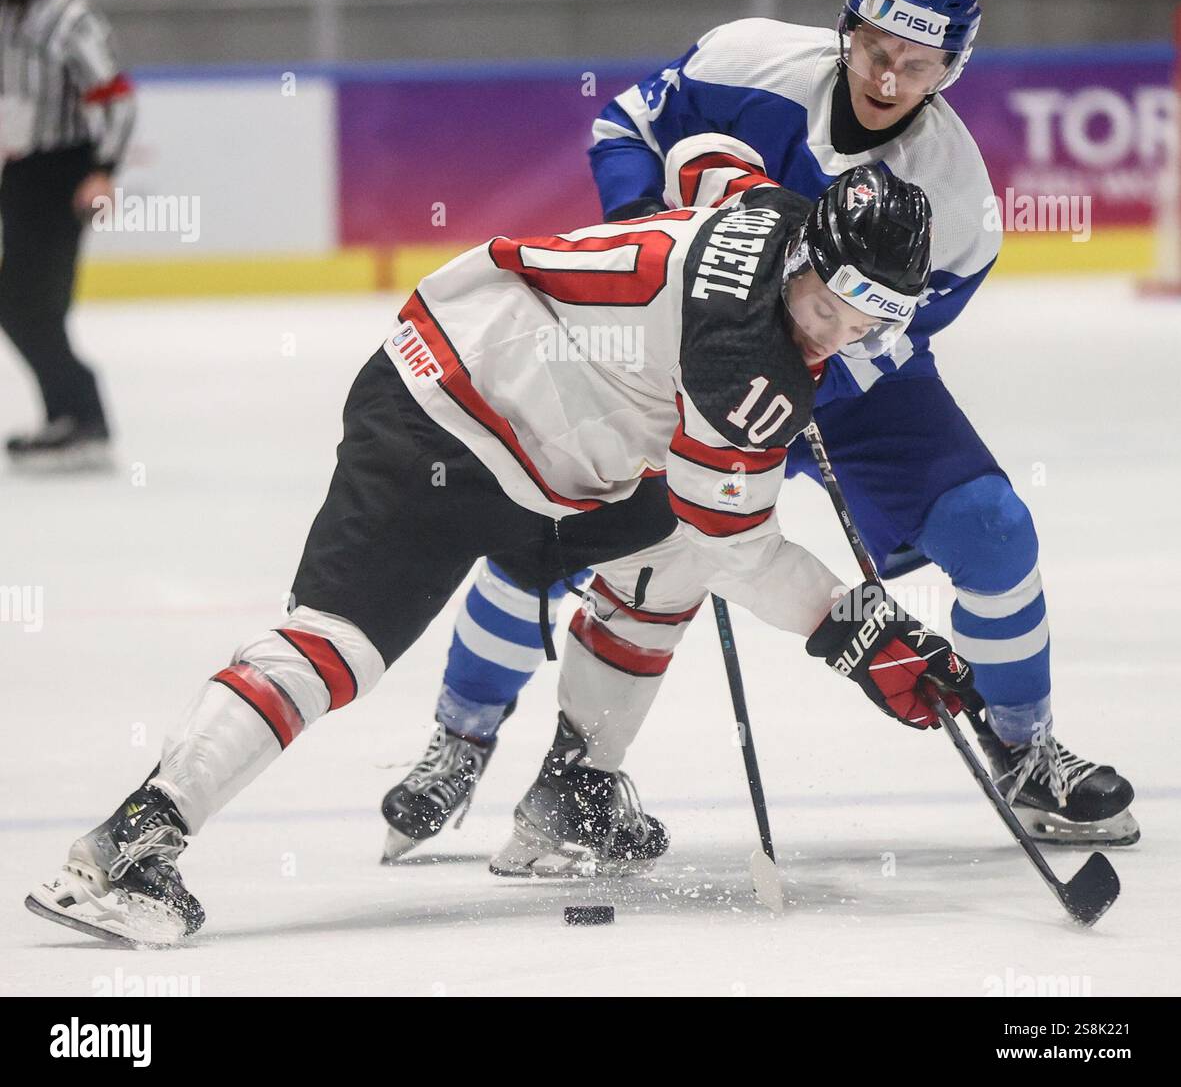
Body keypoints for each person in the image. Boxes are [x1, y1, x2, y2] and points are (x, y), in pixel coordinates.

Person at [26, 165, 977, 944]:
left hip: (532, 439)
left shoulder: (771, 209)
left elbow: (708, 160)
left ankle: (571, 793)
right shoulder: (745, 372)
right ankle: (126, 848)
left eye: (876, 315)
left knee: (672, 546)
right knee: (341, 645)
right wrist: (859, 632)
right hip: (444, 427)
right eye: (839, 301)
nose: (845, 328)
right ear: (806, 258)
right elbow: (744, 549)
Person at [382, 0, 1137, 858]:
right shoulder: (746, 62)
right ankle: (459, 740)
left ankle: (1024, 751)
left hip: (849, 380)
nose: (889, 78)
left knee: (992, 531)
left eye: (918, 65)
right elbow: (626, 127)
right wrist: (648, 242)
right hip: (678, 362)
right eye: (874, 50)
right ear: (847, 29)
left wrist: (792, 383)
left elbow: (899, 335)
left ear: (953, 69)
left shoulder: (957, 197)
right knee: (550, 536)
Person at [0, 0, 135, 468]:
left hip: (63, 173)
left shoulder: (69, 17)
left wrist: (103, 171)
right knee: (22, 302)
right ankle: (70, 417)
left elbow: (115, 100)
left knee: (32, 301)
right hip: (20, 171)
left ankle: (83, 419)